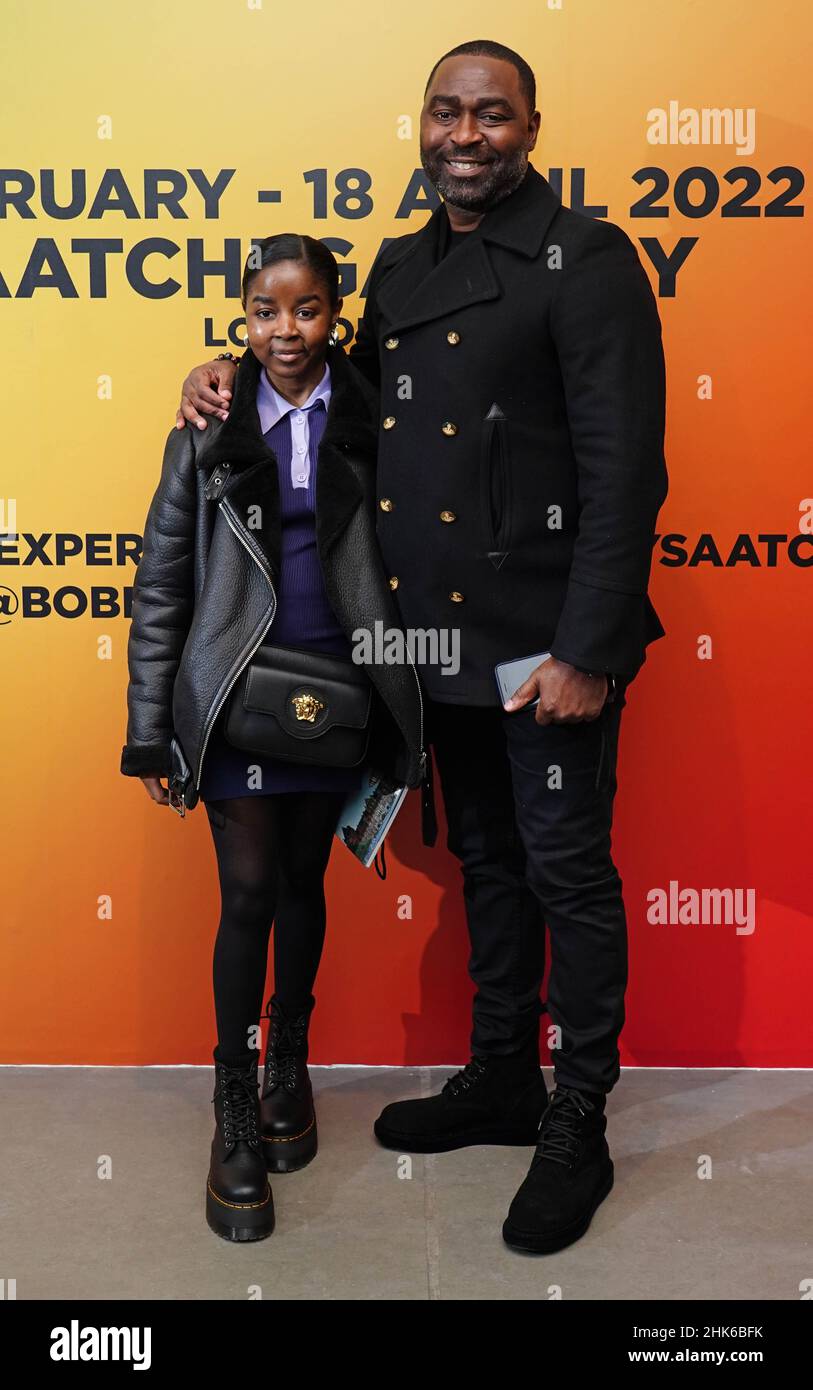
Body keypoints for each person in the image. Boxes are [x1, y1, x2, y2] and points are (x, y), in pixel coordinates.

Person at [174, 39, 669, 1255]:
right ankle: (501, 1072)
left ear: (533, 129)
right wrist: (227, 379)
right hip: (427, 645)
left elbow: (625, 473)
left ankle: (579, 1120)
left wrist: (590, 646)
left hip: (544, 643)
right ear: (421, 124)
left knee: (567, 872)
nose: (466, 134)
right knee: (492, 865)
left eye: (492, 115)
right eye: (447, 111)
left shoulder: (587, 260)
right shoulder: (396, 269)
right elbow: (327, 390)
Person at [120, 233, 424, 1243]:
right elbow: (163, 584)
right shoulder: (207, 423)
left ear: (335, 314)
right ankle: (237, 1101)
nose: (283, 332)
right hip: (237, 693)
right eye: (262, 311)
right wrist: (152, 726)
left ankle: (291, 1060)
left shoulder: (378, 415)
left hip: (338, 692)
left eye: (304, 311)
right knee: (247, 891)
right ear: (239, 315)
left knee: (305, 884)